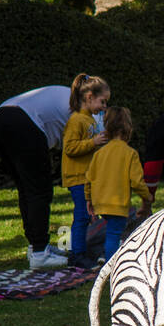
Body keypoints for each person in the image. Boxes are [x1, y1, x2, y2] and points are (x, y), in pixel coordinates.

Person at [0, 84, 77, 269]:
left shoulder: (73, 98)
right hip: (23, 121)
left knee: (26, 187)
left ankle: (36, 246)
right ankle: (39, 253)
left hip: (1, 117)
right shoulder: (90, 116)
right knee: (40, 190)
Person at [86, 107, 152, 263]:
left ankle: (107, 258)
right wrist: (147, 197)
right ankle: (112, 267)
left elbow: (89, 178)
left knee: (112, 233)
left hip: (101, 203)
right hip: (117, 204)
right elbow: (137, 182)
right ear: (128, 128)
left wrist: (89, 199)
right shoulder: (130, 153)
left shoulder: (99, 153)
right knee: (114, 235)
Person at [60, 74, 111, 269]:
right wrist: (93, 142)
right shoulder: (77, 120)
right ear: (89, 97)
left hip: (87, 178)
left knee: (89, 215)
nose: (104, 107)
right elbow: (70, 148)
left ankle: (85, 250)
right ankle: (77, 255)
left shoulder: (89, 120)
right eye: (102, 102)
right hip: (77, 178)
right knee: (82, 215)